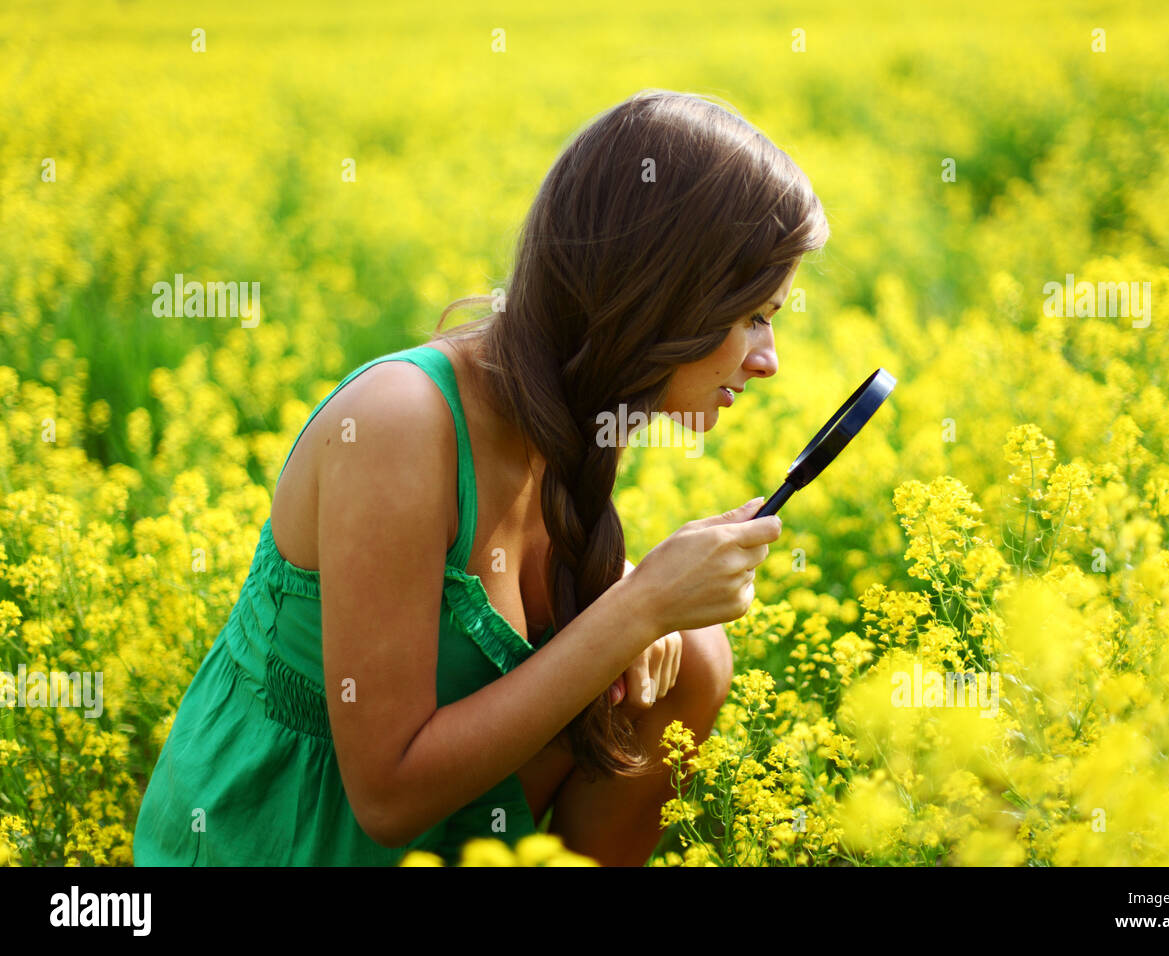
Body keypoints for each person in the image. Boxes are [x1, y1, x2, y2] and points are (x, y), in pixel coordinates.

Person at [132, 88, 830, 867]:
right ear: (663, 296)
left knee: (691, 655)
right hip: (292, 843)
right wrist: (635, 610)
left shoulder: (577, 415)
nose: (767, 361)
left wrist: (644, 604)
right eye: (753, 317)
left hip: (452, 838)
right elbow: (387, 798)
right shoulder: (401, 422)